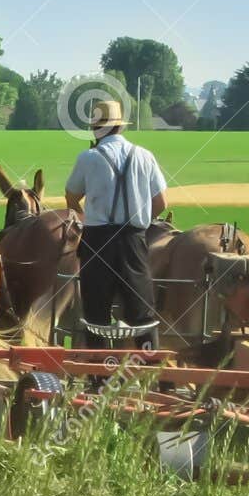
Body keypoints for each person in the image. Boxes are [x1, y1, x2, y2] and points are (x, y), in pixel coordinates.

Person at [64, 97, 167, 349]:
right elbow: (162, 202)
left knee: (96, 314)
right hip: (133, 240)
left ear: (95, 129)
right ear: (121, 127)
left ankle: (99, 376)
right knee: (141, 313)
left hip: (98, 241)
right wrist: (140, 222)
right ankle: (146, 370)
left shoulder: (87, 157)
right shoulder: (144, 156)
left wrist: (86, 217)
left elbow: (71, 196)